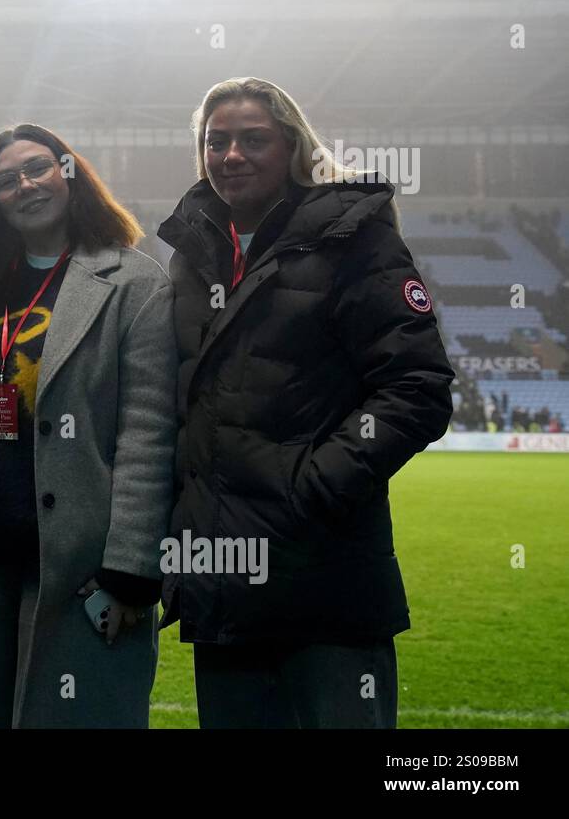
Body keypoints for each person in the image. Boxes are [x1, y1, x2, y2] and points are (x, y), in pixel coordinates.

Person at [157, 77, 455, 728]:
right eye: (217, 141)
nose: (231, 154)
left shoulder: (353, 239)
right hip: (224, 591)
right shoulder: (190, 258)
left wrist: (313, 485)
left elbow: (418, 386)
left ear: (293, 146)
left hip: (325, 583)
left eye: (253, 139)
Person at [0, 124, 176, 727]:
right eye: (6, 180)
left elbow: (149, 429)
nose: (25, 185)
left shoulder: (133, 282)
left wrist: (132, 568)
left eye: (39, 168)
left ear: (69, 172)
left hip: (78, 564)